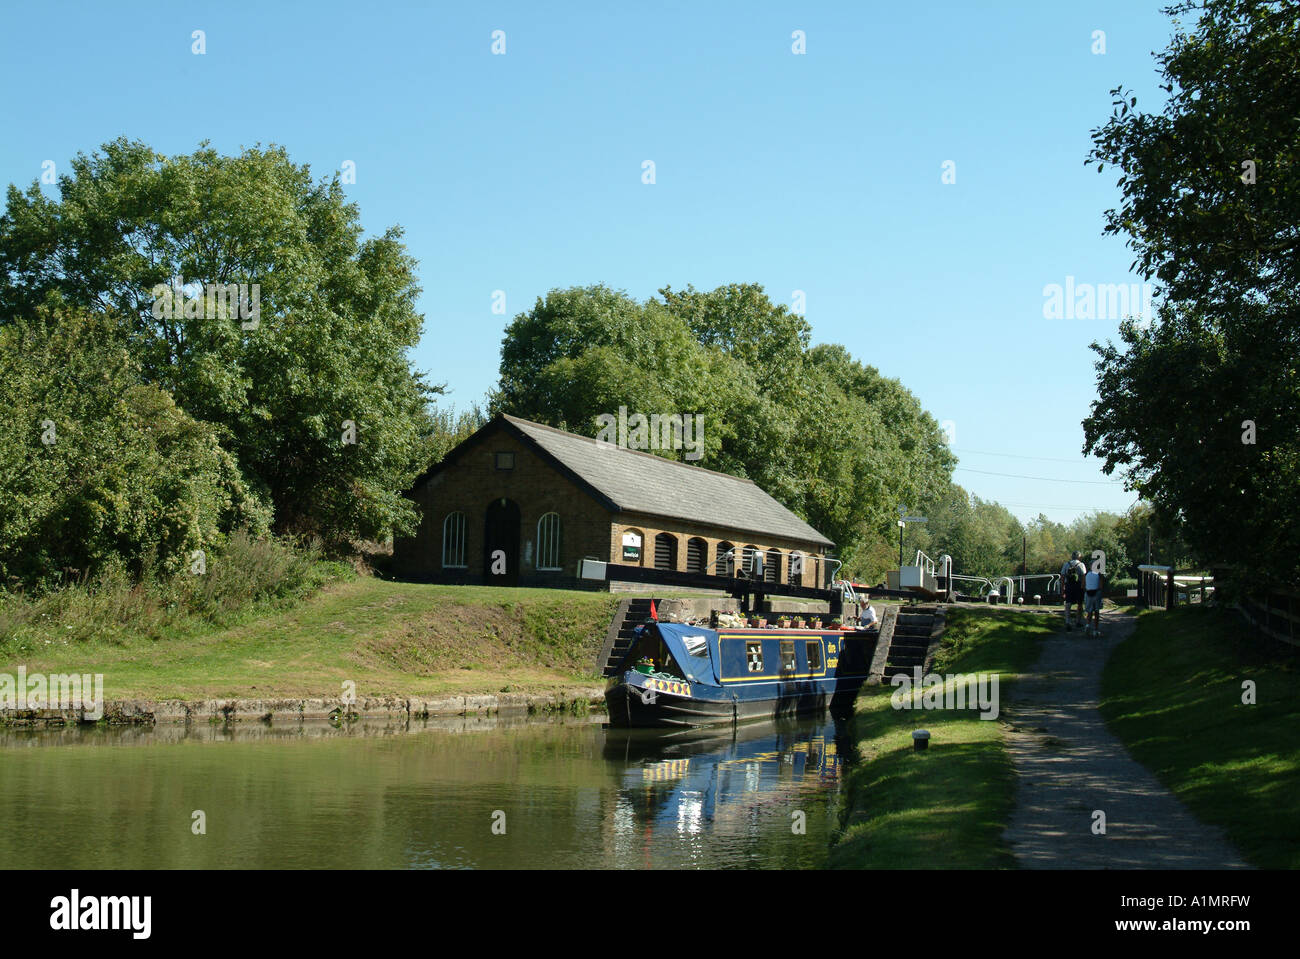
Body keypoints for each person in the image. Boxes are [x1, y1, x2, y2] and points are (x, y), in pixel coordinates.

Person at [1060, 551, 1087, 630]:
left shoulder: (1066, 564)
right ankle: (1078, 621)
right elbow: (1083, 577)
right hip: (1078, 586)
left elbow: (1062, 577)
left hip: (1069, 586)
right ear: (1079, 557)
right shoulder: (1081, 565)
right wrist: (1084, 588)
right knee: (1079, 604)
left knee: (1068, 604)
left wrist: (1062, 588)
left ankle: (1067, 622)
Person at [1084, 565, 1105, 636]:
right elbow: (1101, 586)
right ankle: (1095, 630)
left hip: (1088, 593)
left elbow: (1083, 585)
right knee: (1096, 612)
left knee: (1089, 612)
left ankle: (1087, 625)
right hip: (1096, 593)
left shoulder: (1086, 574)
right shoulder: (1099, 574)